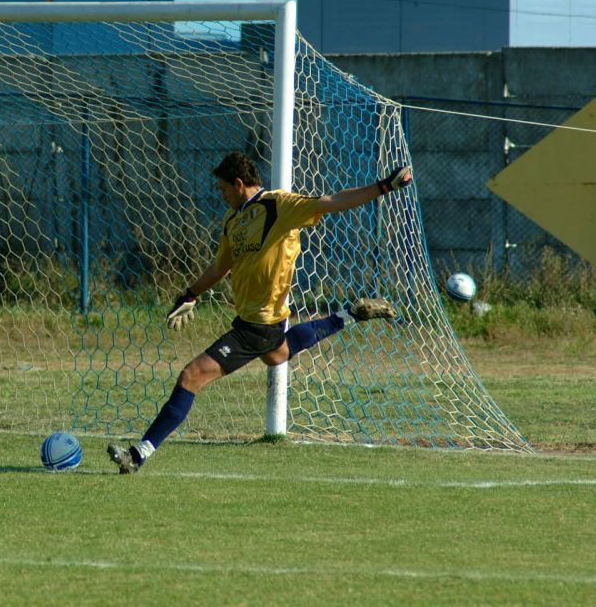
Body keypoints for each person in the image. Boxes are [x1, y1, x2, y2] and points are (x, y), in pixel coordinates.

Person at [107, 151, 413, 474]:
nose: (221, 195)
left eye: (224, 189)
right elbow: (221, 267)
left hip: (258, 324)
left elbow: (333, 201)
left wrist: (384, 186)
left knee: (191, 375)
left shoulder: (278, 205)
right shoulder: (233, 221)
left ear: (239, 184)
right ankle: (350, 315)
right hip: (256, 321)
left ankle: (138, 454)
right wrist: (191, 294)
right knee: (277, 354)